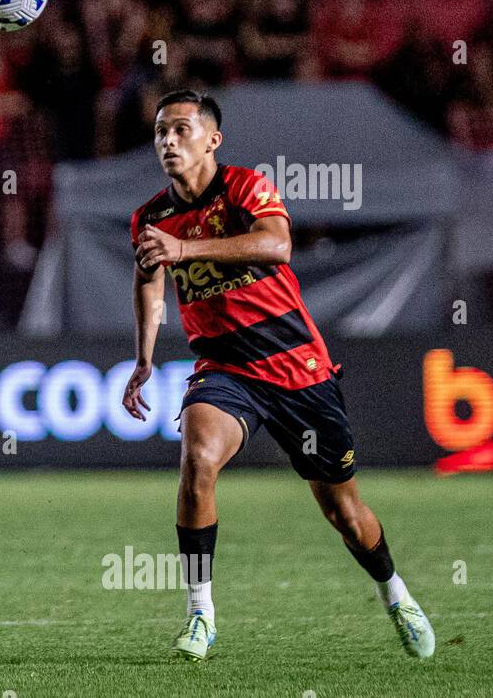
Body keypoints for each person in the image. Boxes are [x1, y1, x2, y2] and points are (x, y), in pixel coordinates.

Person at [123, 89, 435, 661]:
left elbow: (277, 244)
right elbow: (150, 281)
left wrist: (186, 250)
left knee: (345, 514)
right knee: (197, 460)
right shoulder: (151, 217)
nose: (168, 141)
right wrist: (144, 358)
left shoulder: (243, 187)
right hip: (225, 369)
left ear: (212, 140)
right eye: (161, 132)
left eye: (182, 130)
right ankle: (200, 614)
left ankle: (395, 592)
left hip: (300, 370)